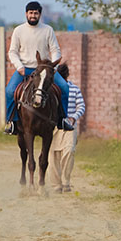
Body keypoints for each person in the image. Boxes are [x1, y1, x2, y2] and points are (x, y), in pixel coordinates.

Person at [3, 1, 73, 135]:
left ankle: (62, 119)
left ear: (40, 14)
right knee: (10, 91)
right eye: (30, 13)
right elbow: (12, 52)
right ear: (26, 14)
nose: (33, 15)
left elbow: (55, 50)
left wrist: (53, 66)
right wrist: (19, 66)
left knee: (64, 87)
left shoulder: (48, 30)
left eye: (36, 13)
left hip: (44, 69)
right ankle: (12, 122)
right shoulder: (19, 30)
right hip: (25, 68)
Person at [48, 63, 85, 193]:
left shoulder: (74, 89)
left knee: (69, 151)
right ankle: (56, 185)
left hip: (69, 126)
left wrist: (73, 118)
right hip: (54, 127)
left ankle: (65, 182)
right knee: (53, 155)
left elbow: (81, 106)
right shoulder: (52, 90)